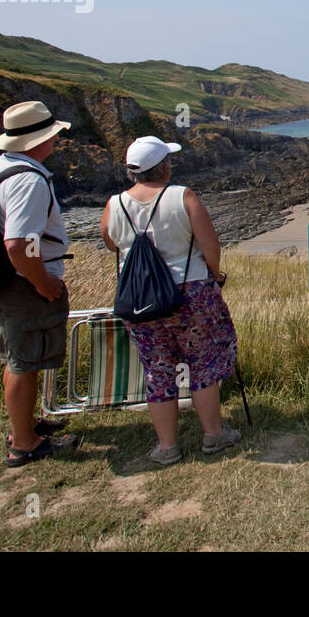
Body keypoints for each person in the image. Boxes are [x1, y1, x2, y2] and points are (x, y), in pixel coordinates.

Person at [100, 136, 241, 465]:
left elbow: (111, 243)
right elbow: (211, 246)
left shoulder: (114, 204)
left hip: (140, 297)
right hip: (189, 291)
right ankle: (214, 435)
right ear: (162, 167)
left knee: (158, 368)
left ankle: (167, 447)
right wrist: (216, 276)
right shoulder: (182, 196)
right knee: (203, 362)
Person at [0, 101, 80, 468]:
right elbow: (19, 244)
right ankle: (25, 443)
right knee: (23, 361)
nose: (56, 140)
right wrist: (43, 284)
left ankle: (26, 426)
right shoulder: (29, 179)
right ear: (41, 139)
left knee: (16, 356)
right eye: (53, 134)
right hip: (22, 283)